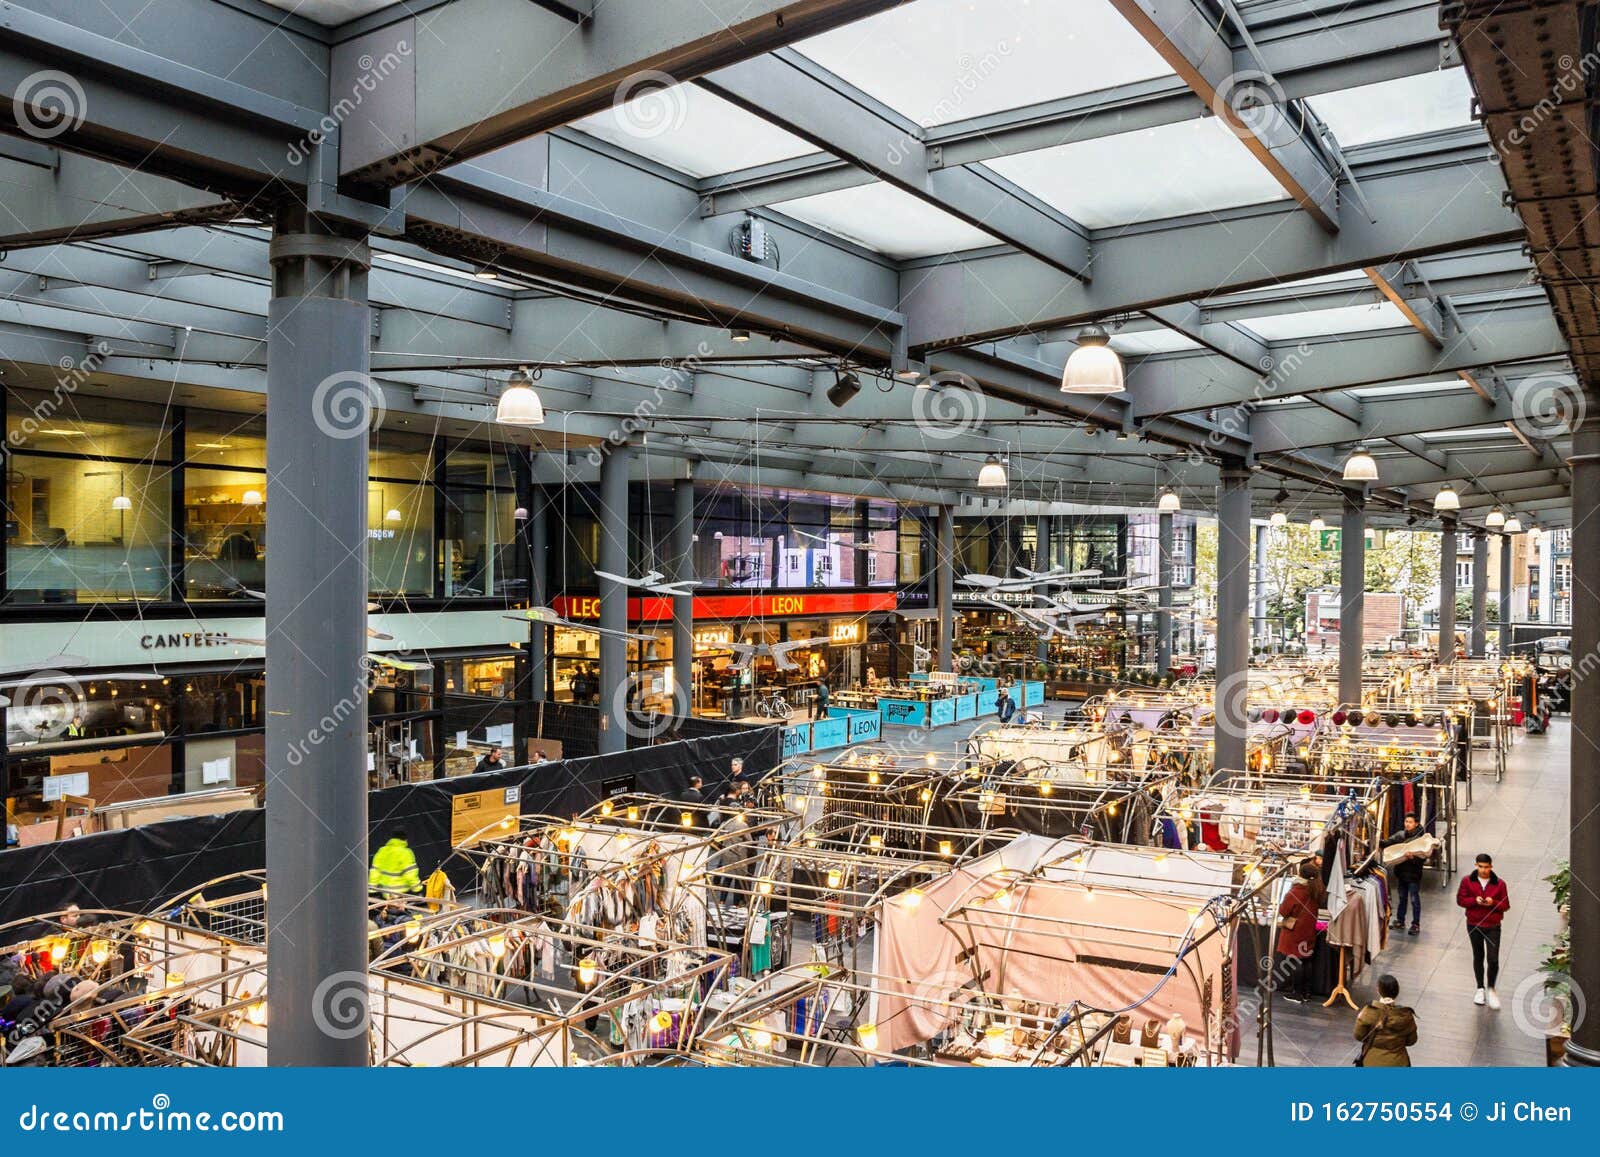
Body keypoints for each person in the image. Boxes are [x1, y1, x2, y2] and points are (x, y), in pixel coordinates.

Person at [1457, 852, 1511, 1009]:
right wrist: (1474, 901)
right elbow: (1460, 900)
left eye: (1486, 867)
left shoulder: (1500, 884)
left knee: (1493, 959)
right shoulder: (1467, 881)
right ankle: (1480, 988)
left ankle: (1491, 988)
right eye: (1480, 867)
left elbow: (1506, 905)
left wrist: (1492, 902)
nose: (1483, 870)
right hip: (1474, 924)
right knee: (1478, 956)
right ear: (1476, 865)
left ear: (1491, 866)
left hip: (1493, 926)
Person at [1275, 860, 1326, 1003]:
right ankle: (1307, 993)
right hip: (1309, 929)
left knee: (1295, 961)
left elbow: (1283, 911)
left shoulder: (1296, 891)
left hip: (1296, 931)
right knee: (1306, 960)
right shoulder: (1317, 889)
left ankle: (1297, 993)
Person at [1353, 974, 1418, 1067]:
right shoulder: (1406, 1015)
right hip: (1400, 1063)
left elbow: (1359, 1036)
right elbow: (1412, 1041)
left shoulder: (1369, 1011)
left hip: (1371, 1062)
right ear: (1397, 992)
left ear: (1379, 991)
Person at [1382, 812, 1428, 935]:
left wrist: (1412, 857)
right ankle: (1400, 921)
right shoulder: (1400, 835)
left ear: (1416, 824)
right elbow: (1388, 842)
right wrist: (1376, 841)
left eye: (1410, 822)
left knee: (1414, 899)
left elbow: (1423, 858)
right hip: (1401, 874)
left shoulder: (1421, 839)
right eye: (1406, 821)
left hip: (1414, 876)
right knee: (1402, 898)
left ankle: (1415, 924)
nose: (1407, 824)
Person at [369, 829, 423, 897]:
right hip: (400, 895)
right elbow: (410, 874)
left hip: (385, 894)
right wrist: (418, 890)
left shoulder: (382, 850)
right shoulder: (406, 853)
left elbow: (374, 872)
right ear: (405, 839)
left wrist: (372, 890)